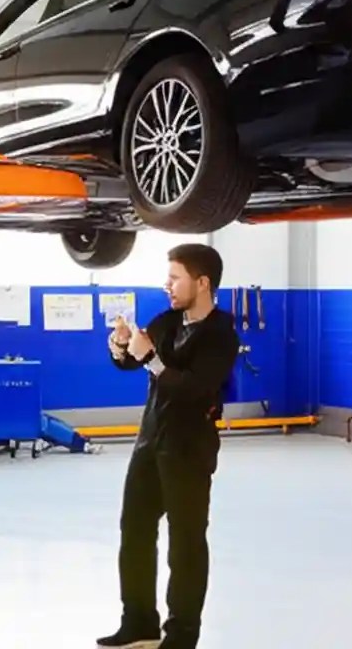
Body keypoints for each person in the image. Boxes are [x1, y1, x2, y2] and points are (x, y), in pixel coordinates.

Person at [97, 243, 240, 649]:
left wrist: (151, 360)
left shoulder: (220, 335)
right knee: (135, 532)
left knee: (186, 541)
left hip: (189, 449)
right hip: (151, 442)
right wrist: (122, 346)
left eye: (175, 277)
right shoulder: (168, 322)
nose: (167, 285)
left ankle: (180, 636)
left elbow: (193, 389)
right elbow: (132, 361)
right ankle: (138, 621)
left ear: (202, 282)